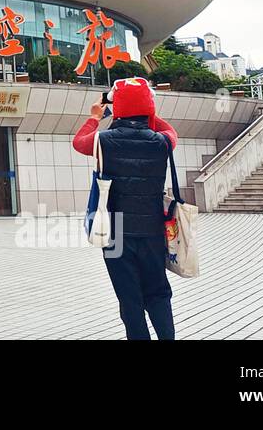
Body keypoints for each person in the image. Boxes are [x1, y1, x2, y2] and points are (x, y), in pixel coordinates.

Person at [72, 76, 179, 340]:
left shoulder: (103, 141)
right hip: (153, 230)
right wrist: (147, 110)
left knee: (129, 296)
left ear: (116, 107)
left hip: (116, 231)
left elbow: (79, 141)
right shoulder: (163, 141)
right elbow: (170, 131)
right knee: (158, 292)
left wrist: (96, 115)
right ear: (149, 107)